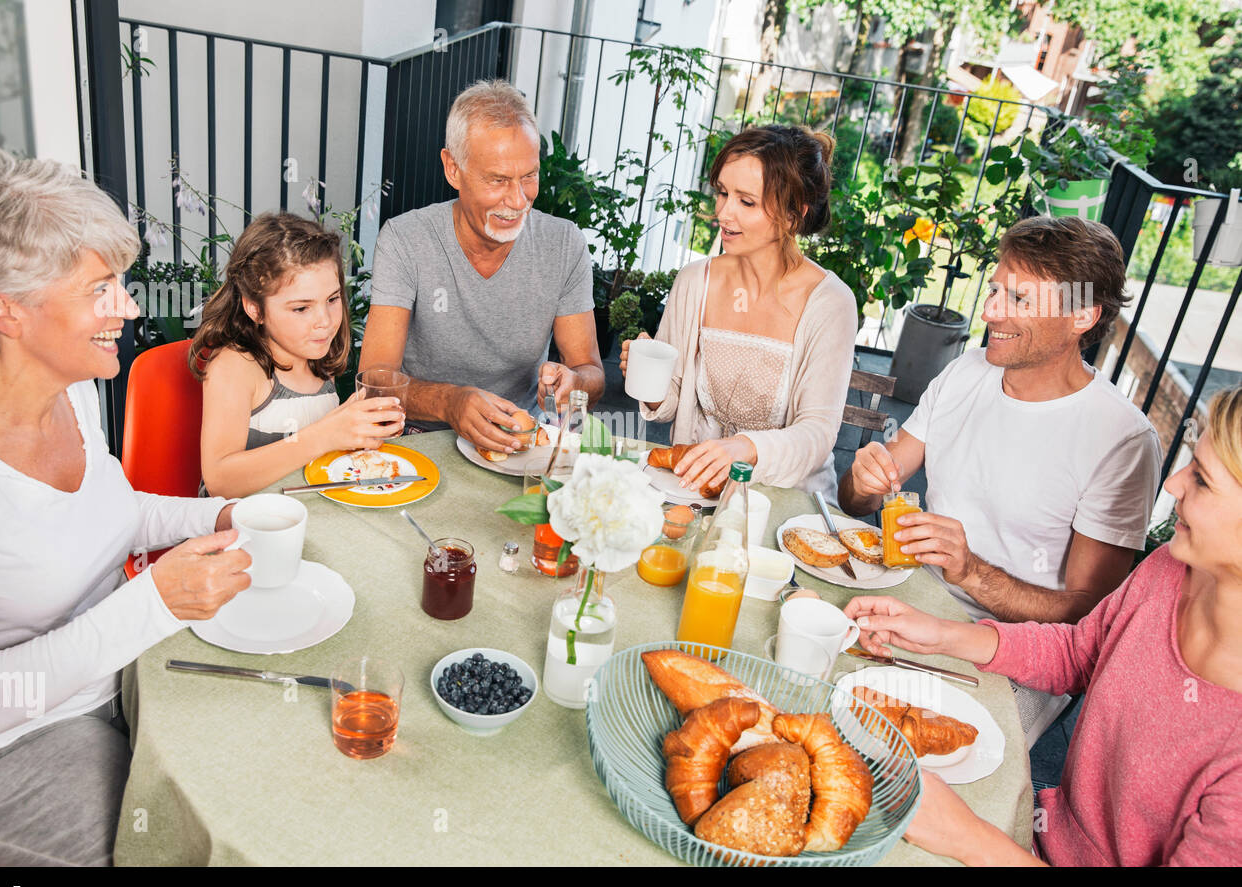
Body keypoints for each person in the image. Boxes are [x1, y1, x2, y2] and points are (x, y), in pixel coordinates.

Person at [0, 149, 251, 866]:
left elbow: (114, 515)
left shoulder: (69, 386)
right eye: (99, 289)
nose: (130, 307)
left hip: (112, 674)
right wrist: (157, 603)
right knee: (167, 849)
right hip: (0, 744)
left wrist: (219, 516)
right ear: (4, 308)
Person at [843, 383, 1242, 866]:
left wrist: (968, 838)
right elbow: (1080, 654)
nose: (1173, 484)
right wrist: (941, 634)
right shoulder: (1168, 571)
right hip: (1038, 837)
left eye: (1201, 479)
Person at [837, 216, 1163, 744]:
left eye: (1019, 299)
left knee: (909, 751)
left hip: (1021, 653)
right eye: (994, 291)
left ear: (1083, 315)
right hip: (911, 593)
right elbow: (854, 501)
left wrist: (971, 572)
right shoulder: (967, 372)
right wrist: (862, 479)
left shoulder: (1122, 440)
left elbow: (1088, 619)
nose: (989, 311)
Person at [359, 79, 604, 452]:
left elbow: (591, 371)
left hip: (516, 442)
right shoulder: (405, 239)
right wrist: (449, 403)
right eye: (498, 180)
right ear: (452, 169)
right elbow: (375, 381)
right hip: (418, 442)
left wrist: (575, 382)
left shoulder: (564, 244)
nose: (519, 200)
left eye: (529, 176)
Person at [619, 124, 857, 498]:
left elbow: (817, 433)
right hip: (693, 490)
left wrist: (745, 448)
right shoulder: (695, 280)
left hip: (786, 500)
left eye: (746, 202)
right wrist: (650, 381)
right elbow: (668, 404)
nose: (723, 213)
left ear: (794, 215)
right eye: (722, 193)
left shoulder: (830, 303)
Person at [191, 212, 404, 498]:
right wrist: (326, 434)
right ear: (255, 308)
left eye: (331, 299)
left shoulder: (315, 356)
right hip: (244, 527)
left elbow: (316, 463)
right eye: (301, 308)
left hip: (310, 514)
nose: (325, 321)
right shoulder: (236, 366)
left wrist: (357, 434)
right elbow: (220, 480)